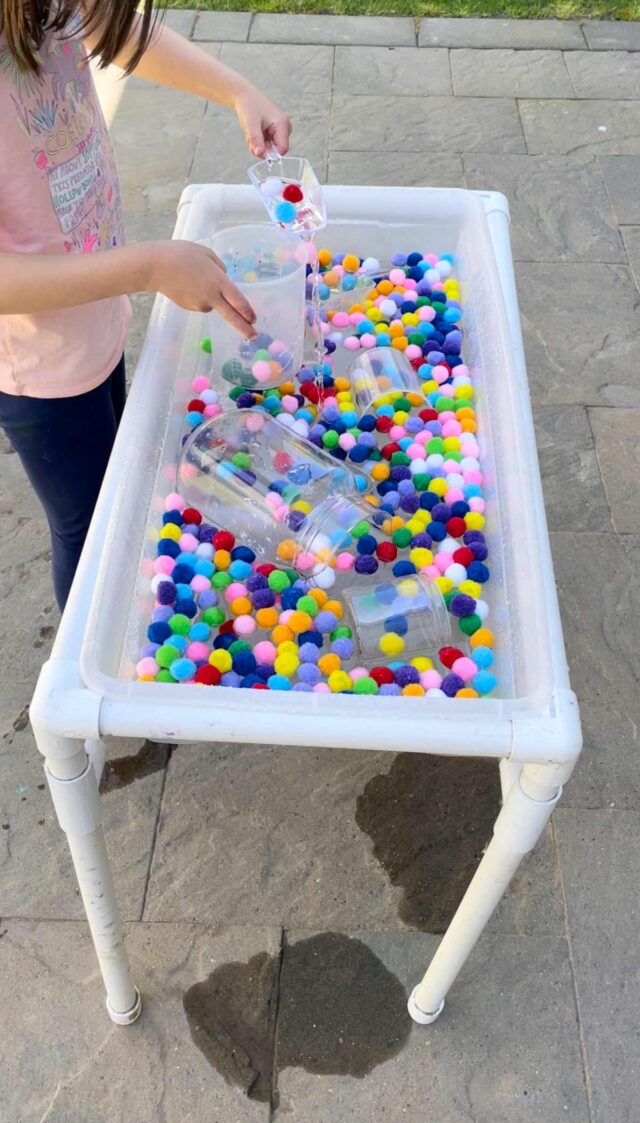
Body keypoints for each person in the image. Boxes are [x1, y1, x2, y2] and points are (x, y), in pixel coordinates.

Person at [0, 0, 291, 610]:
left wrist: (235, 89)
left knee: (117, 482)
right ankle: (86, 662)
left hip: (92, 315)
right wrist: (150, 267)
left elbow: (111, 27)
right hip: (38, 366)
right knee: (90, 527)